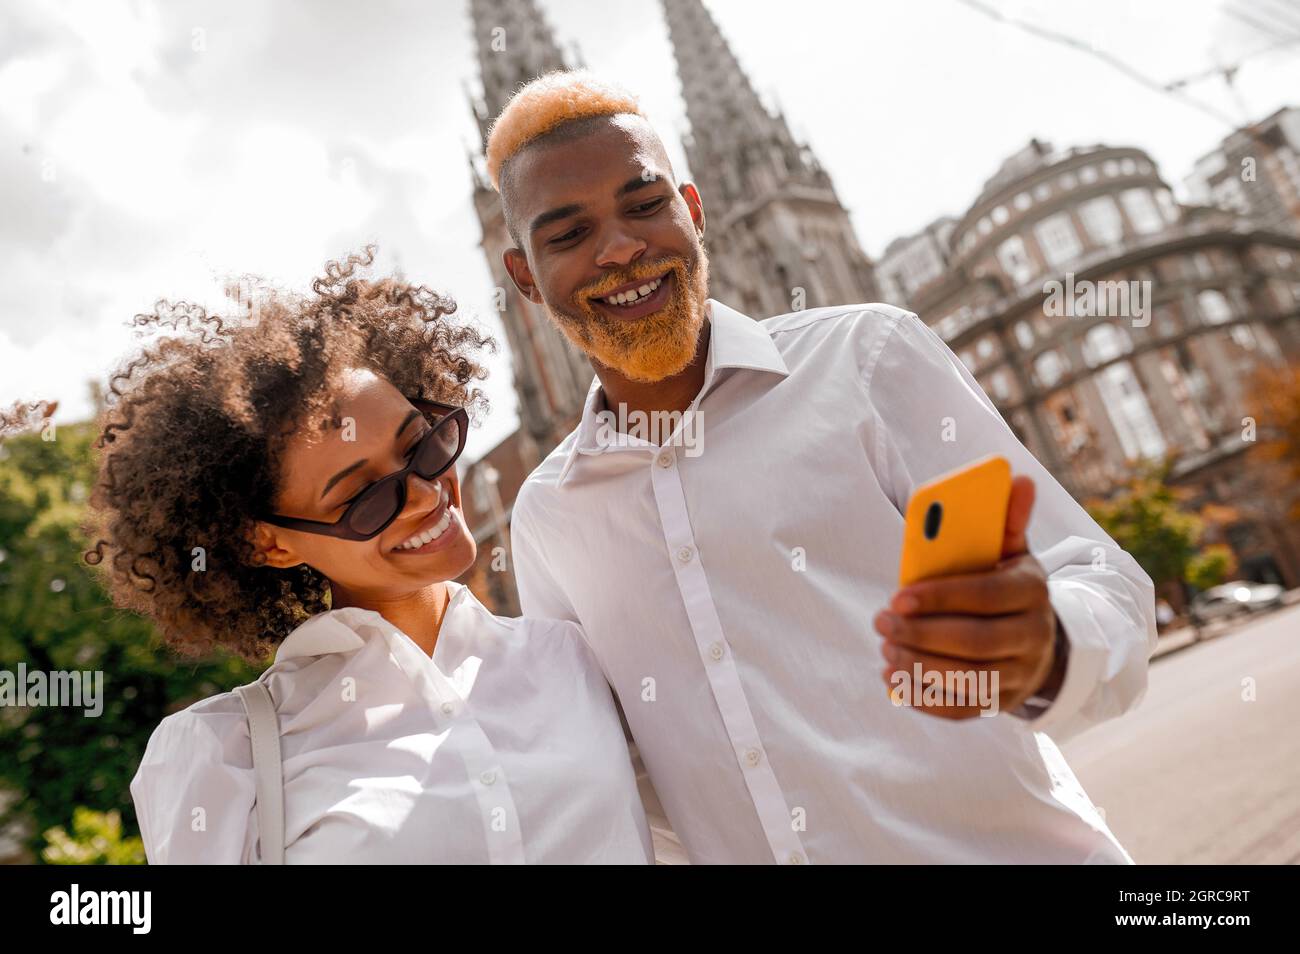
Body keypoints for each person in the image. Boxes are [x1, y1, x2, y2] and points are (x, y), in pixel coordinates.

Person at [488, 71, 1159, 864]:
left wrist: (1043, 642)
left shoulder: (867, 359)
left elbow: (1098, 580)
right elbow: (617, 786)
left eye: (644, 205)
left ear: (693, 211)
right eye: (567, 234)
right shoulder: (547, 519)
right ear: (526, 276)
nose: (621, 248)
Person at [89, 249, 652, 863]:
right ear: (268, 542)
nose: (424, 493)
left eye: (421, 445)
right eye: (362, 495)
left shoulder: (577, 657)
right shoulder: (230, 752)